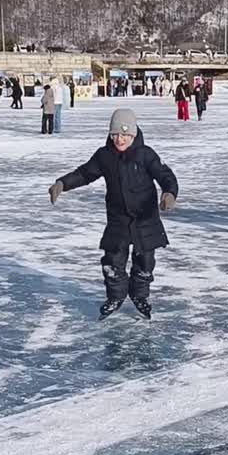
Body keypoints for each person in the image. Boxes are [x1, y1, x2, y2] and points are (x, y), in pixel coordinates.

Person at [48, 108, 178, 320]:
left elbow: (166, 176)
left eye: (125, 134)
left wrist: (169, 194)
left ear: (134, 135)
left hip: (145, 218)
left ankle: (140, 296)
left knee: (145, 262)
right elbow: (85, 173)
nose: (120, 139)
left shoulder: (146, 155)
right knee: (112, 261)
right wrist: (63, 183)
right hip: (118, 219)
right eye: (116, 134)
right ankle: (115, 296)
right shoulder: (105, 156)